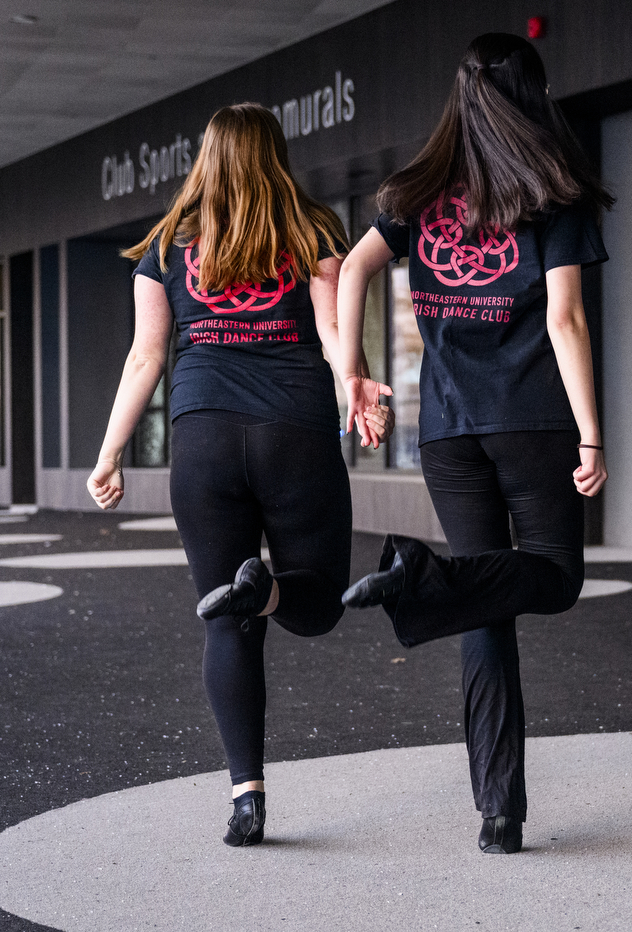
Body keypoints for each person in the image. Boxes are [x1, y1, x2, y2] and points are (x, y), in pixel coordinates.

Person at [87, 103, 392, 847]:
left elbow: (145, 358)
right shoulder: (314, 229)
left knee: (226, 619)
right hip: (296, 434)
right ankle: (275, 588)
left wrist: (110, 451)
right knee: (315, 605)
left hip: (204, 443)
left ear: (205, 157)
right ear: (276, 153)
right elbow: (330, 330)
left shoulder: (166, 245)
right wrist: (355, 380)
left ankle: (247, 799)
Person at [336, 33, 610, 855]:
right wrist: (593, 433)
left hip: (449, 431)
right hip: (531, 423)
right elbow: (564, 321)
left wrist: (353, 370)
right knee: (553, 579)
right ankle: (426, 578)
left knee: (481, 602)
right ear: (536, 97)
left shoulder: (416, 195)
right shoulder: (555, 195)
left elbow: (351, 271)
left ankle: (500, 810)